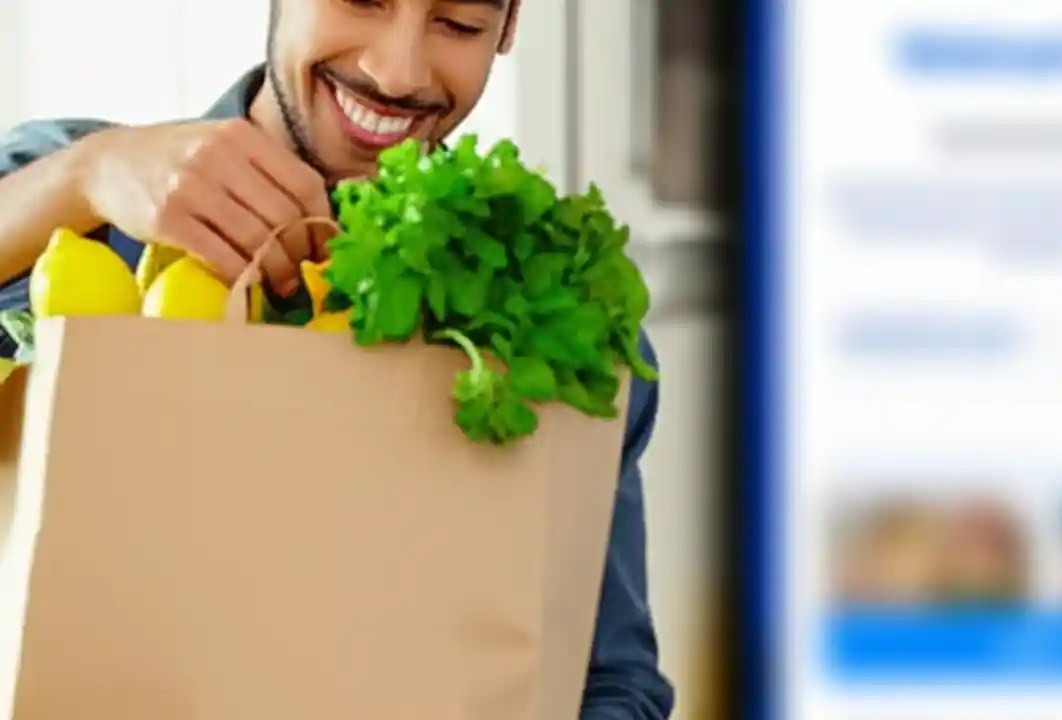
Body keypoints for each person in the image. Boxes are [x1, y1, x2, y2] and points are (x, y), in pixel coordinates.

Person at [0, 1, 675, 717]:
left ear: (508, 28)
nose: (398, 70)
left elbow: (609, 681)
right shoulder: (77, 212)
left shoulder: (548, 329)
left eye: (459, 24)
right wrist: (79, 176)